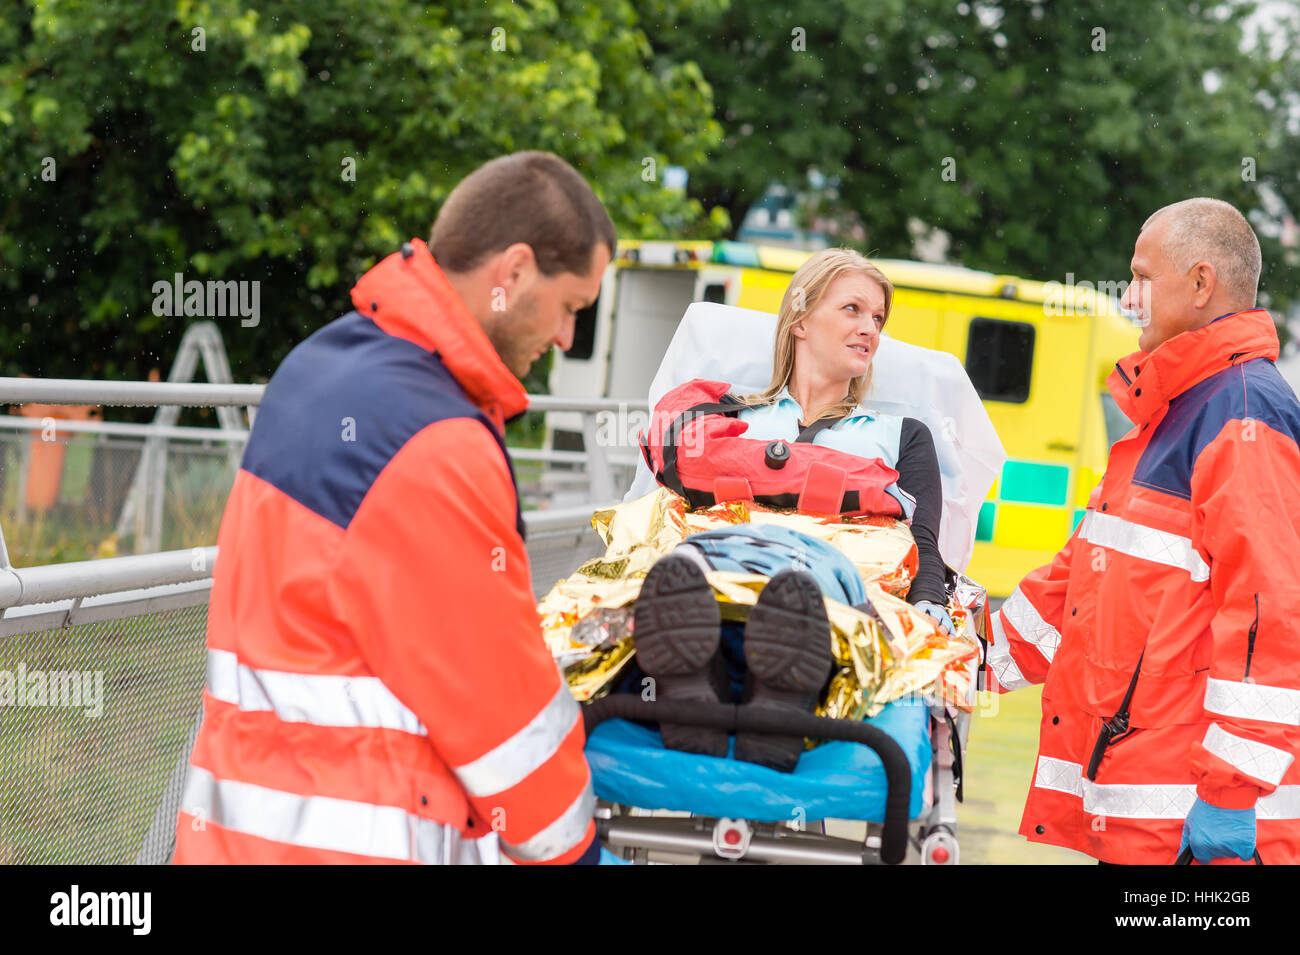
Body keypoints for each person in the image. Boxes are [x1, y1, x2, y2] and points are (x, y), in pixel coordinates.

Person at [173, 151, 614, 865]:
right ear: (515, 271)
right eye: (571, 308)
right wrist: (576, 847)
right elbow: (500, 713)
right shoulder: (434, 440)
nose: (566, 338)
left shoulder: (316, 367)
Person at [986, 197, 1300, 865]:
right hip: (1156, 813)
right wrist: (973, 658)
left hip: (1202, 824)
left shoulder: (1242, 414)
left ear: (1200, 282)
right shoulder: (1173, 412)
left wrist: (1232, 788)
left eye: (1140, 277)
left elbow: (1269, 615)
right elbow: (1078, 584)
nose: (1126, 298)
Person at [633, 248, 951, 770]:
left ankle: (759, 694)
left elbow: (925, 546)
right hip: (716, 580)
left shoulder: (902, 438)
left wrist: (930, 608)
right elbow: (669, 502)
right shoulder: (725, 419)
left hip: (837, 599)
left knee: (799, 592)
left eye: (878, 318)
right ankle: (730, 694)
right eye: (852, 309)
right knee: (690, 574)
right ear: (800, 321)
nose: (870, 328)